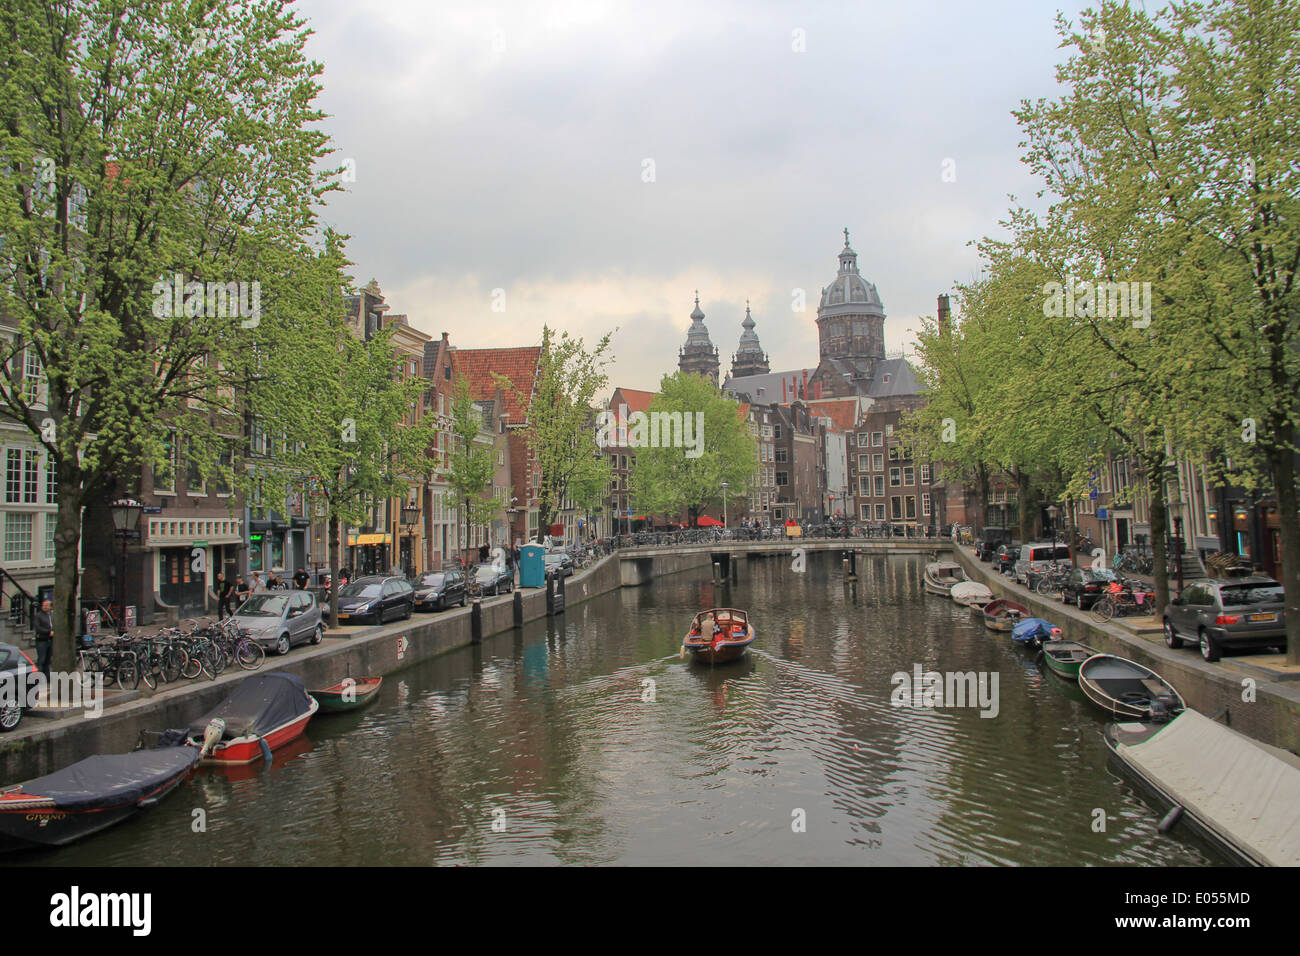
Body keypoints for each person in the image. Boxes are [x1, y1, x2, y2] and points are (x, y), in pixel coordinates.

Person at [34, 598, 53, 680]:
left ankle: (47, 677)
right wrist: (49, 632)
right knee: (41, 659)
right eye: (44, 605)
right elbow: (38, 628)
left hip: (50, 640)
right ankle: (40, 678)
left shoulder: (51, 615)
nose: (45, 607)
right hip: (42, 640)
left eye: (47, 605)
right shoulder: (39, 615)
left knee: (48, 660)